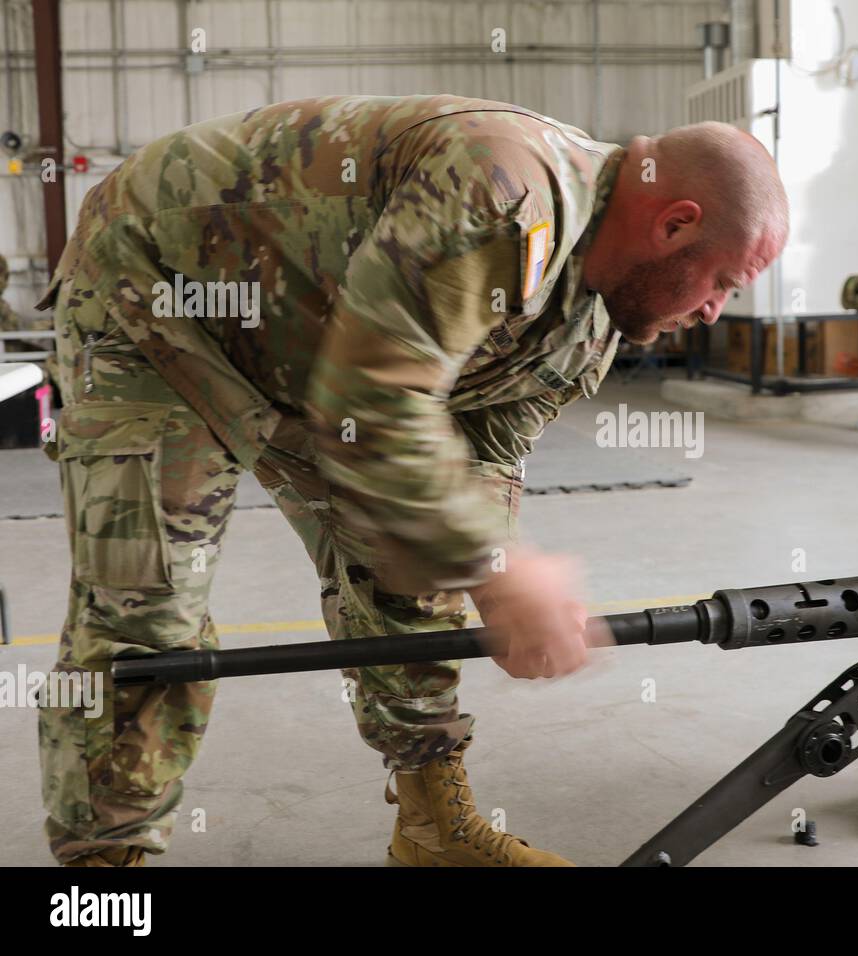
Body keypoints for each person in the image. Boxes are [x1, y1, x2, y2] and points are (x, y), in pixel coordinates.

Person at [37, 94, 788, 867]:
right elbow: (373, 397)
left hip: (316, 345)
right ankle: (104, 874)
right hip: (159, 294)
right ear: (675, 224)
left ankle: (432, 827)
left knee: (416, 568)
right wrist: (498, 572)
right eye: (722, 283)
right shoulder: (503, 189)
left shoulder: (593, 313)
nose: (713, 312)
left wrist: (483, 561)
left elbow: (482, 450)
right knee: (145, 601)